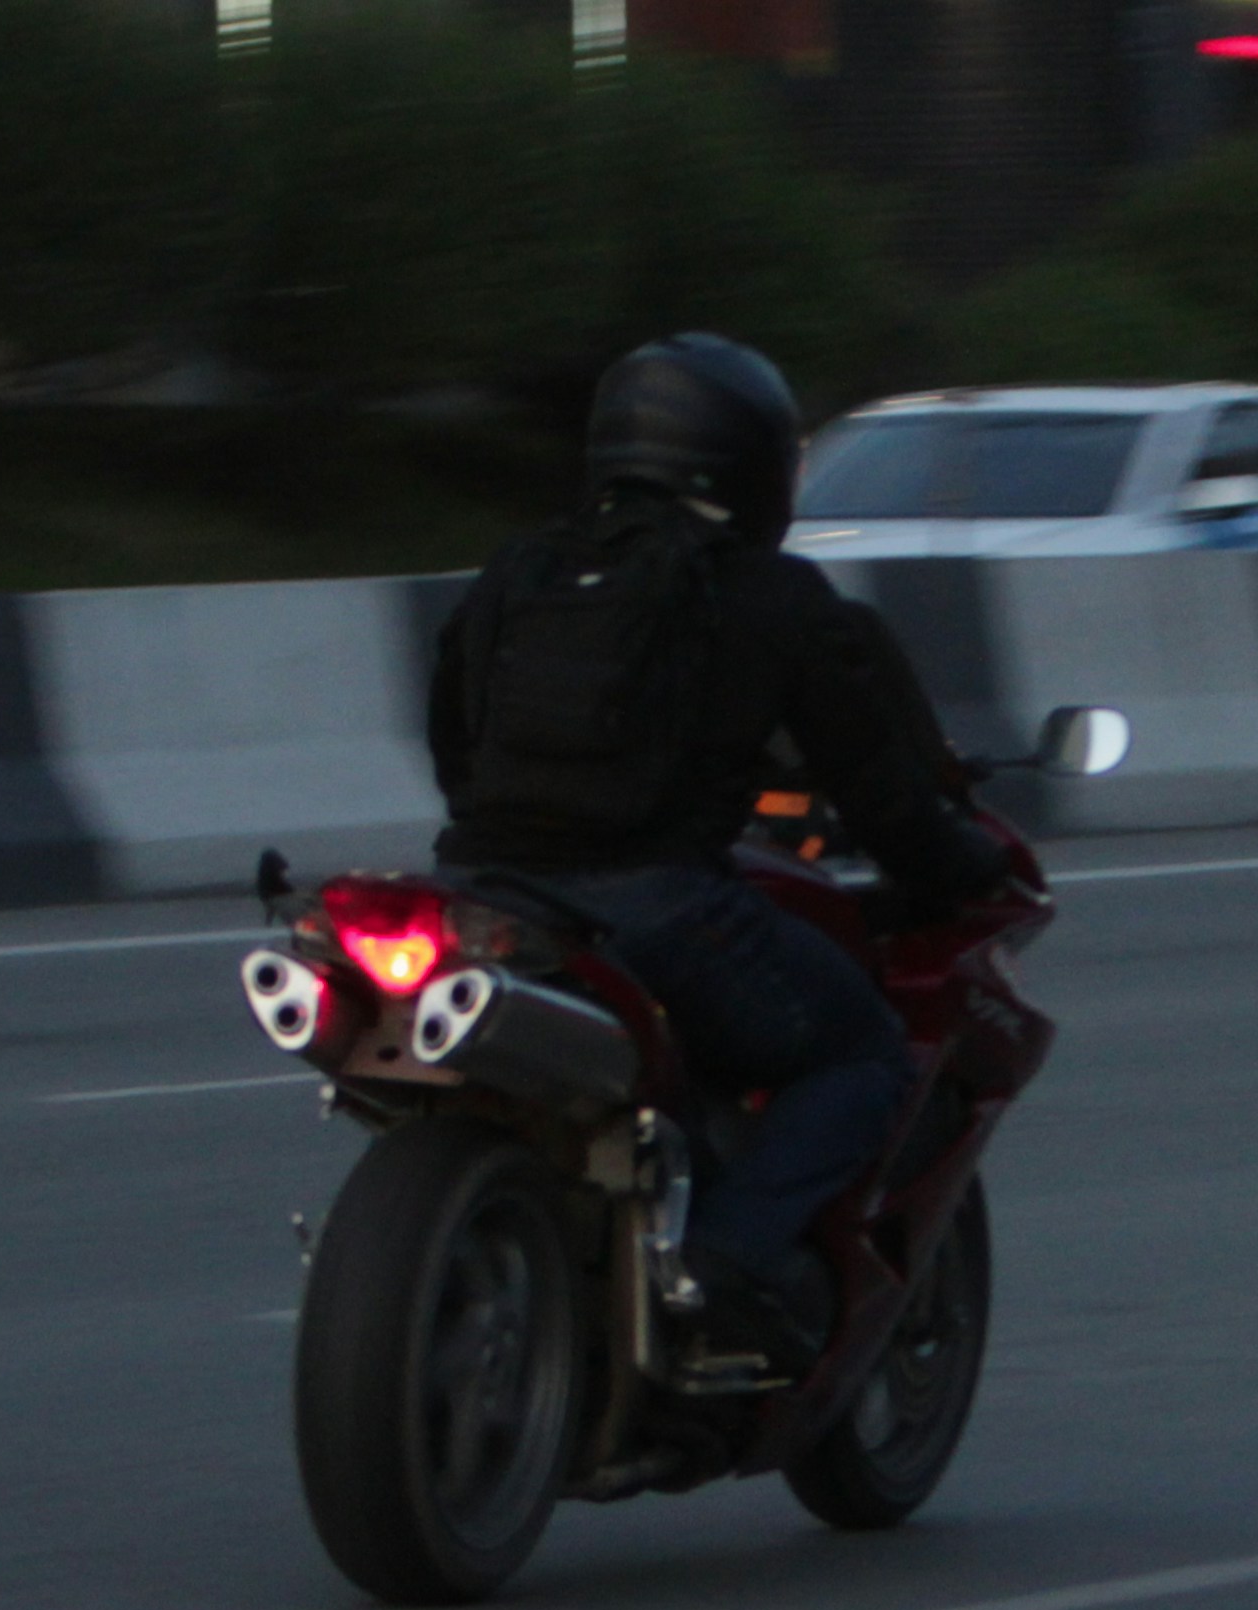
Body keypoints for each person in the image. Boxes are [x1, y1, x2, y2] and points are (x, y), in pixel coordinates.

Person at [421, 333, 1006, 1367]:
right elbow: (883, 799)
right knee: (865, 1052)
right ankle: (723, 1258)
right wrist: (961, 869)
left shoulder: (520, 571)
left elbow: (453, 744)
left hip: (481, 894)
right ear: (751, 461)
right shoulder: (768, 597)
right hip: (653, 907)